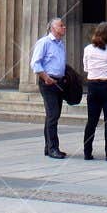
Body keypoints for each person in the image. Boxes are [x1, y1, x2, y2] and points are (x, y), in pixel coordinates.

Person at [81, 22, 107, 161]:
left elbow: (86, 68)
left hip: (93, 85)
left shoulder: (87, 49)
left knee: (91, 121)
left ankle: (87, 152)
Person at [31, 17, 69, 159]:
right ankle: (53, 148)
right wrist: (46, 77)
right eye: (61, 25)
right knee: (53, 114)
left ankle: (48, 147)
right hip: (48, 82)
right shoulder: (44, 42)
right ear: (53, 28)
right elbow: (35, 63)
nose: (64, 27)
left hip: (59, 82)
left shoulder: (61, 44)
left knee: (53, 115)